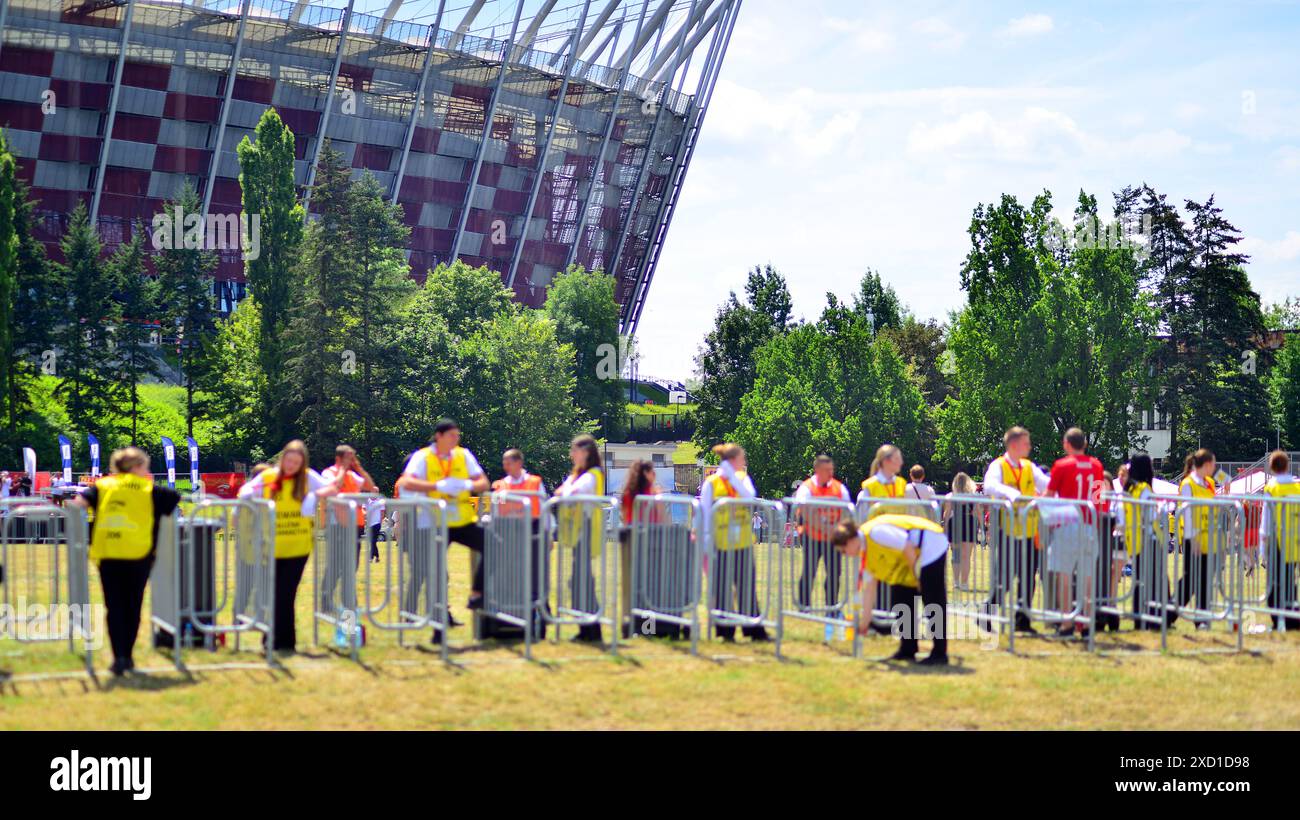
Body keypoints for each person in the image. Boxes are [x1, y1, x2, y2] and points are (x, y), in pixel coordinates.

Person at [70, 447, 181, 676]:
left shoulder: (103, 486)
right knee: (133, 606)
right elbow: (175, 500)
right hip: (138, 554)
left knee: (114, 606)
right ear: (137, 467)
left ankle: (118, 656)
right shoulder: (149, 488)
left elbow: (77, 504)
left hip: (108, 552)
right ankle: (127, 656)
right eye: (146, 466)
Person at [239, 440, 344, 652]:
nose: (292, 465)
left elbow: (333, 489)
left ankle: (283, 642)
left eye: (297, 462)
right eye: (289, 460)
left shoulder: (307, 477)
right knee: (272, 595)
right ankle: (276, 640)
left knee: (286, 595)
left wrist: (315, 495)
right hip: (270, 547)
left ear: (302, 462)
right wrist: (247, 498)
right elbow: (246, 490)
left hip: (298, 547)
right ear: (283, 458)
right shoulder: (268, 477)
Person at [395, 418, 490, 642]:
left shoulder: (463, 455)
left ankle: (477, 593)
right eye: (452, 435)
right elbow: (406, 483)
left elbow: (483, 483)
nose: (456, 440)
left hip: (462, 520)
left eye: (458, 436)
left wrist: (466, 485)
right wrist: (436, 486)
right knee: (436, 575)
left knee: (494, 545)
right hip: (435, 521)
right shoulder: (422, 457)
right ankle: (439, 632)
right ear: (439, 436)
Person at [830, 514, 950, 665]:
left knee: (932, 601)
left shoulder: (875, 532)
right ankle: (908, 650)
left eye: (843, 551)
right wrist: (865, 623)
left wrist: (918, 578)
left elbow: (907, 546)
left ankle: (940, 653)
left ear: (851, 541)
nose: (845, 555)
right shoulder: (866, 553)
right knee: (901, 599)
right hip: (912, 556)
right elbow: (869, 589)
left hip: (931, 545)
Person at [981, 426, 1049, 633]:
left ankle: (1023, 620)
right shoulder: (998, 465)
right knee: (1005, 577)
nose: (1029, 446)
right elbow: (989, 485)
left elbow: (1047, 483)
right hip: (1006, 529)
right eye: (1025, 443)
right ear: (1013, 445)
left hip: (1028, 529)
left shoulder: (1029, 466)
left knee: (1029, 576)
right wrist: (1010, 493)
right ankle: (985, 614)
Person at [699, 443, 769, 642]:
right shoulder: (711, 483)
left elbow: (749, 497)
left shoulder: (742, 478)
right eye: (742, 458)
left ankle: (754, 630)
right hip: (719, 543)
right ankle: (724, 631)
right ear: (732, 460)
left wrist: (730, 475)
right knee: (722, 587)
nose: (744, 462)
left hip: (743, 542)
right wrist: (705, 541)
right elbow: (704, 512)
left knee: (747, 586)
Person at [1043, 427, 1106, 638]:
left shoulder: (1061, 465)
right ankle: (1086, 623)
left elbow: (1049, 495)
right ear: (1085, 444)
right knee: (1087, 577)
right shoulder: (1096, 465)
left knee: (1064, 575)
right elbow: (1099, 497)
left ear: (1067, 444)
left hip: (1067, 524)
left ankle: (1066, 624)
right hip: (1089, 524)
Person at [621, 459, 686, 638]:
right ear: (647, 474)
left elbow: (626, 518)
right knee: (652, 589)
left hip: (634, 544)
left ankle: (638, 626)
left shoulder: (628, 494)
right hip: (654, 544)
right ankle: (651, 627)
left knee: (637, 588)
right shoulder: (653, 494)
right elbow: (665, 520)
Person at [553, 434, 608, 642]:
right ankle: (587, 630)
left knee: (581, 582)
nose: (571, 455)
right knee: (578, 581)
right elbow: (562, 491)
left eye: (574, 450)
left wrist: (565, 491)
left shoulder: (592, 474)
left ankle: (591, 630)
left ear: (585, 453)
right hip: (578, 532)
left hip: (586, 531)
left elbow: (570, 492)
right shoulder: (580, 473)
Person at [490, 449, 549, 638]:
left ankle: (540, 618)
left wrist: (548, 534)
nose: (505, 466)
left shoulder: (535, 483)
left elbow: (545, 508)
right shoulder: (500, 485)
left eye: (508, 462)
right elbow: (495, 511)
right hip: (508, 535)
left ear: (518, 463)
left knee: (534, 579)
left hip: (533, 535)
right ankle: (509, 620)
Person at [1113, 454, 1175, 630]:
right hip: (1150, 538)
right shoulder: (1144, 489)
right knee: (1159, 581)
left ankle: (1140, 619)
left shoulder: (1128, 490)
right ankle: (1159, 618)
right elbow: (1151, 516)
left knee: (1141, 581)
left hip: (1135, 541)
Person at [318, 445, 378, 610]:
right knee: (335, 566)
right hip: (336, 525)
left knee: (352, 566)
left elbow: (371, 487)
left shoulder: (353, 474)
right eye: (349, 457)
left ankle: (348, 603)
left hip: (354, 525)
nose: (352, 460)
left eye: (353, 457)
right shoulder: (328, 473)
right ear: (339, 458)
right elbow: (334, 487)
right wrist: (343, 469)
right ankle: (328, 602)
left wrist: (358, 468)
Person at [792, 455, 852, 611]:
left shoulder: (839, 488)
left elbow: (846, 512)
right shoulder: (806, 488)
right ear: (817, 470)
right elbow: (806, 512)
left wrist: (838, 531)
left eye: (832, 469)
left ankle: (832, 607)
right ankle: (804, 607)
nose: (831, 473)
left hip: (833, 539)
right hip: (811, 537)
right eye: (827, 470)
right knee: (809, 571)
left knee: (834, 573)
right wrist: (828, 528)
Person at [1176, 448, 1218, 628]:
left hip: (1209, 538)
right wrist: (1193, 540)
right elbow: (1187, 514)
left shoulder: (1209, 483)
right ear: (1207, 464)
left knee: (1206, 580)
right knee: (1190, 580)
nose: (1215, 467)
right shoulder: (1188, 484)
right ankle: (1168, 612)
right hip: (1192, 538)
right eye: (1214, 464)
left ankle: (1202, 619)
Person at [1259, 450, 1300, 631]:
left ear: (1271, 467)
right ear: (1287, 465)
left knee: (1274, 580)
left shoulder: (1271, 488)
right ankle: (1291, 616)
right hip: (1293, 539)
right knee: (1290, 580)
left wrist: (1262, 547)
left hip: (1276, 539)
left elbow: (1266, 519)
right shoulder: (1296, 487)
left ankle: (1277, 618)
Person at [943, 472, 980, 591]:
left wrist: (945, 526)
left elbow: (947, 513)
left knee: (956, 555)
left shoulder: (950, 496)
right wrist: (982, 526)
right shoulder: (973, 496)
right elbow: (977, 512)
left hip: (955, 522)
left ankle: (956, 581)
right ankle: (964, 583)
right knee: (966, 556)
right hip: (969, 523)